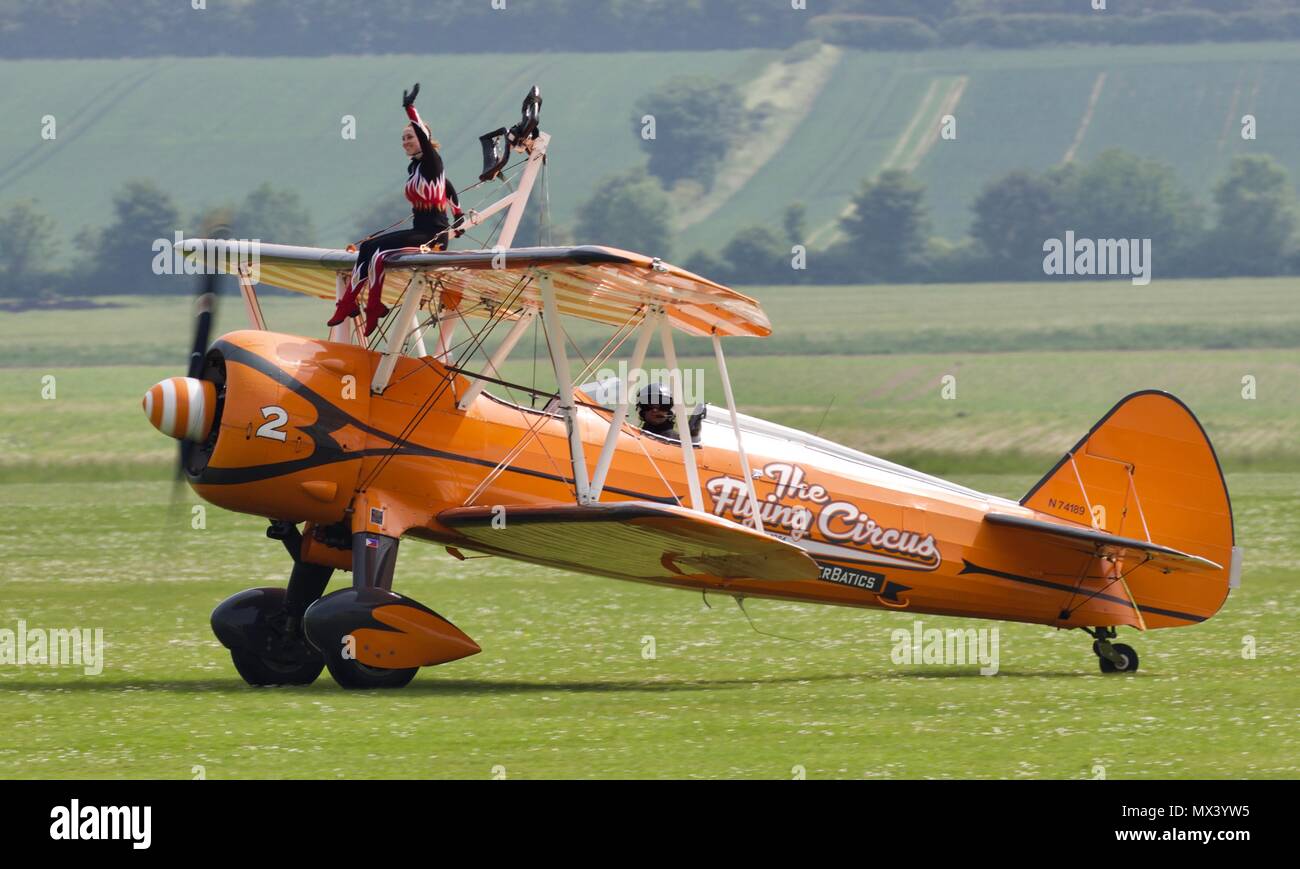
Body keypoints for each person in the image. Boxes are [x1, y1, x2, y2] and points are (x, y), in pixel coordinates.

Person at [328, 83, 465, 336]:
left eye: (410, 137)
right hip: (419, 230)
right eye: (403, 139)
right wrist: (458, 213)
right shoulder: (416, 169)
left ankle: (360, 305)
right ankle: (364, 305)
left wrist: (409, 108)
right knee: (371, 249)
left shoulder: (432, 161)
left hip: (433, 237)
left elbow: (424, 138)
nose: (405, 142)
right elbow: (447, 186)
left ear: (423, 139)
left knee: (374, 252)